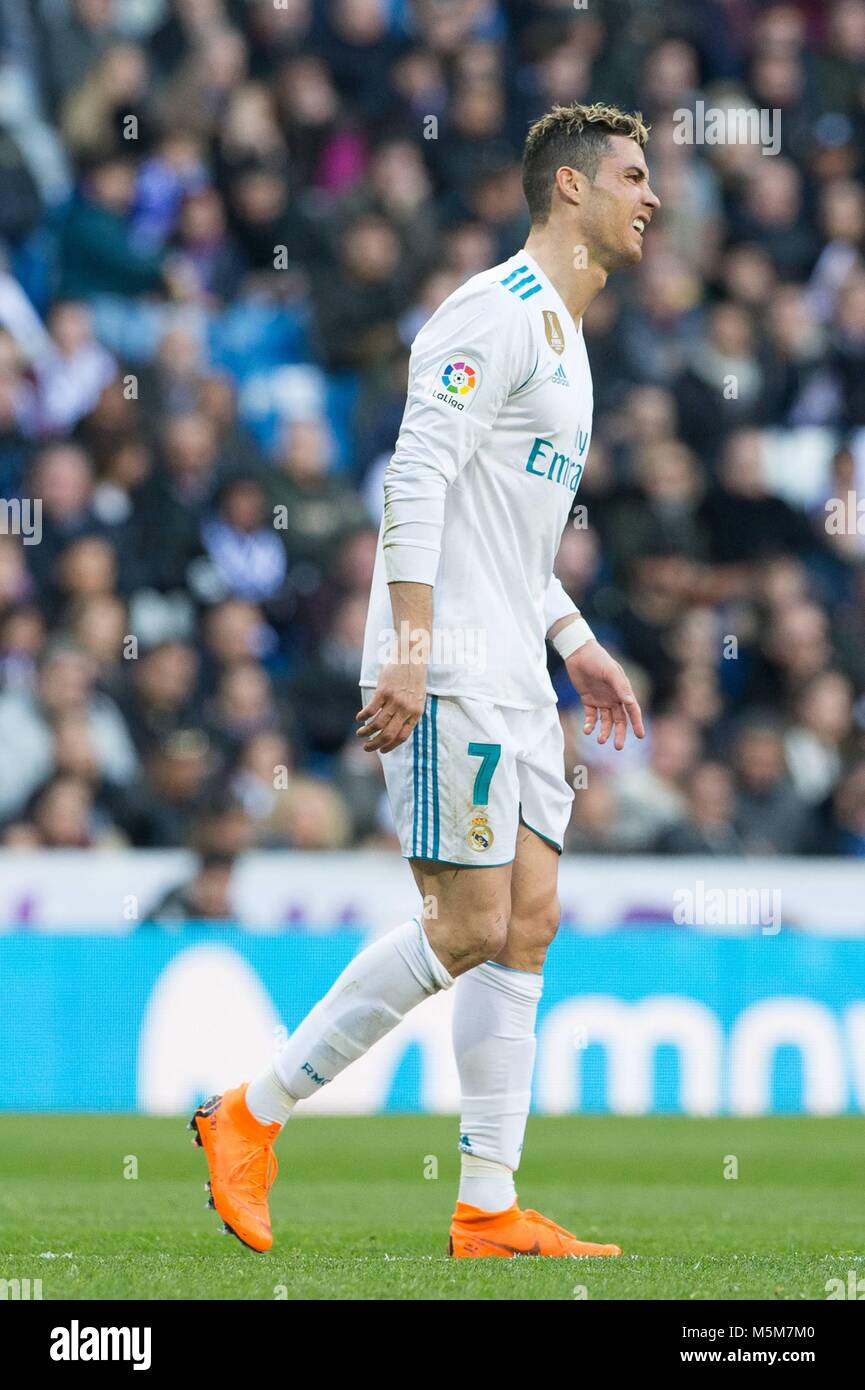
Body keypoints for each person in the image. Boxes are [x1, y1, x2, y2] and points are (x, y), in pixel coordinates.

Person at [191, 101, 659, 1258]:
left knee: (530, 923)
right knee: (465, 925)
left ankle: (487, 1205)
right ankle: (250, 1114)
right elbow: (415, 481)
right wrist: (405, 649)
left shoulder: (571, 335)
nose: (652, 198)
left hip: (516, 664)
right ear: (569, 188)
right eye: (634, 176)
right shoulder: (488, 313)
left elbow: (508, 536)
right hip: (445, 660)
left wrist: (574, 639)